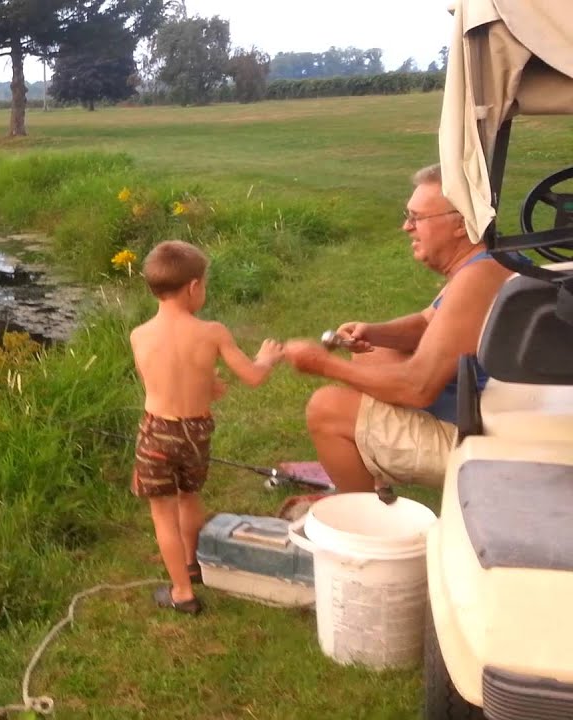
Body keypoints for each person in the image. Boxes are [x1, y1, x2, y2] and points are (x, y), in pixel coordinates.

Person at [283, 164, 517, 494]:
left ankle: (364, 517)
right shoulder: (488, 261)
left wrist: (321, 364)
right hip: (494, 411)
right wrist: (374, 333)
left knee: (326, 408)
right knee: (371, 356)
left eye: (416, 217)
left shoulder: (478, 278)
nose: (406, 226)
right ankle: (371, 465)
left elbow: (417, 388)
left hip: (489, 441)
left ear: (461, 225)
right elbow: (426, 322)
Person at [130, 240, 283, 614]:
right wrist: (265, 359)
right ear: (194, 286)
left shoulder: (139, 334)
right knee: (189, 496)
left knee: (162, 512)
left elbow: (154, 381)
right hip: (195, 431)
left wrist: (202, 383)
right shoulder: (212, 332)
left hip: (157, 433)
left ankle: (181, 591)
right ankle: (194, 565)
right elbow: (252, 377)